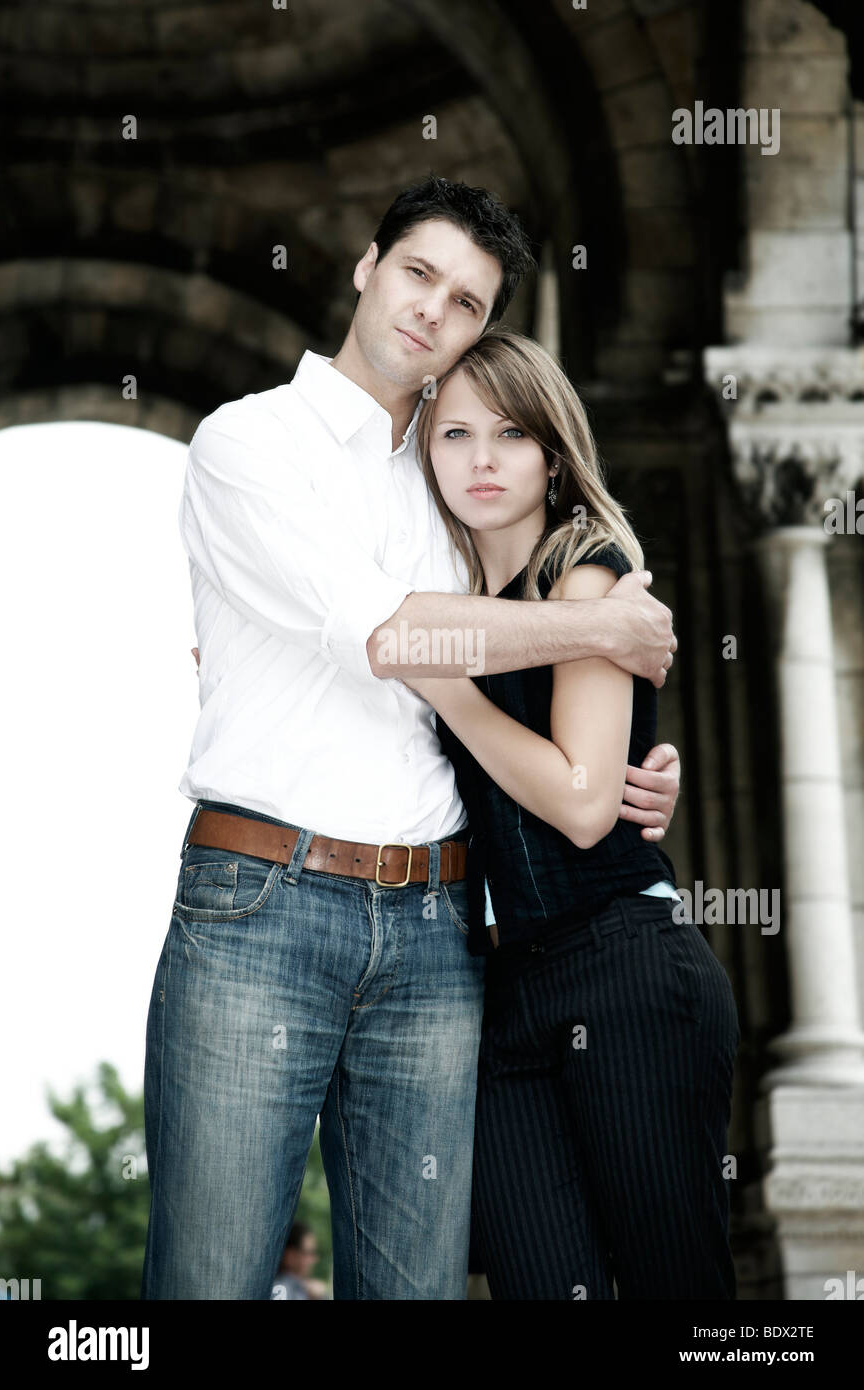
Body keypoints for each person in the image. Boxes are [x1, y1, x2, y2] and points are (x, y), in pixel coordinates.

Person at [141, 175, 681, 1302]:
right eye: (418, 273)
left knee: (417, 1290)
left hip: (441, 933)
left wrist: (625, 758)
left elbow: (517, 675)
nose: (434, 310)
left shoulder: (455, 482)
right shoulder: (247, 444)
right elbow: (391, 635)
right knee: (209, 1280)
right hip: (259, 907)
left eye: (469, 302)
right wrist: (600, 624)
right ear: (365, 267)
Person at [403, 325, 740, 1300]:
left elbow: (587, 806)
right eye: (454, 434)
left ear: (551, 450)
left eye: (507, 434)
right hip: (505, 993)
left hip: (625, 963)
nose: (479, 461)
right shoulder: (443, 592)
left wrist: (451, 692)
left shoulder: (585, 571)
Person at [271, 1222, 327, 1300]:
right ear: (290, 1256)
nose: (315, 1259)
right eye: (310, 1252)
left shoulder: (305, 1289)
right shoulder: (281, 1289)